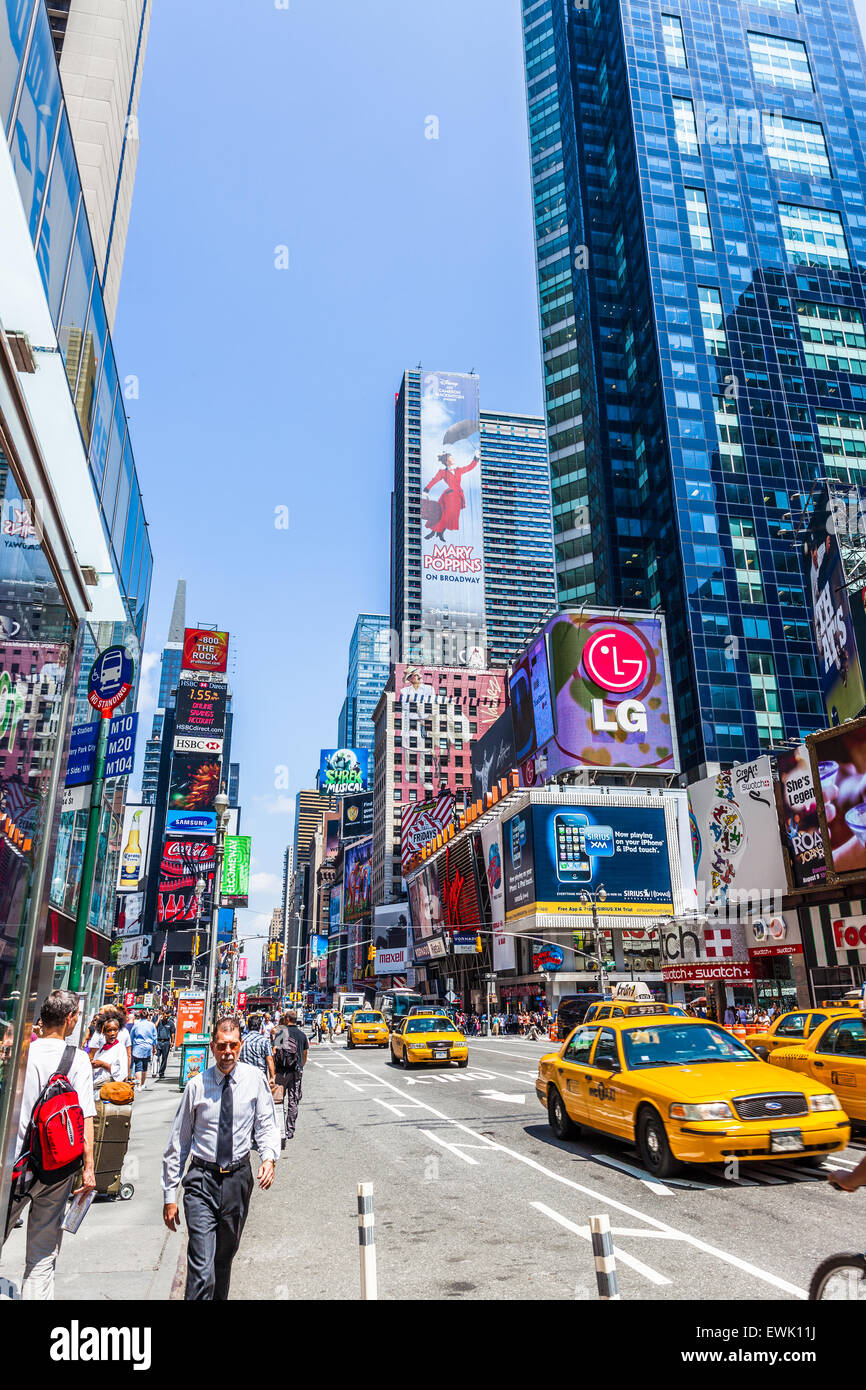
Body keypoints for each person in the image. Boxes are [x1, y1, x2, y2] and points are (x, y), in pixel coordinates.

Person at [162, 1016, 279, 1301]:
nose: (228, 1052)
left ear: (240, 1045)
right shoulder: (196, 1086)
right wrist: (170, 1194)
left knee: (223, 1261)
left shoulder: (254, 1080)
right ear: (212, 1047)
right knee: (202, 1268)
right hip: (201, 1181)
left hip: (237, 1181)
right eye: (222, 1046)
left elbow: (266, 1124)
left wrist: (268, 1158)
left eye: (233, 1046)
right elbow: (179, 1141)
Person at [6, 990, 96, 1299]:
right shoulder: (79, 1059)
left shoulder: (22, 1051)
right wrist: (89, 1169)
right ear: (71, 1019)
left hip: (14, 1166)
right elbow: (85, 1119)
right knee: (42, 1256)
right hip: (57, 1167)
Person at [273, 1011, 309, 1143]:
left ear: (287, 1019)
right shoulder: (302, 1035)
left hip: (281, 1072)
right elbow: (304, 1054)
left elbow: (275, 1051)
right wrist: (301, 1066)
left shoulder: (281, 1032)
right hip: (296, 1072)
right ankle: (290, 1130)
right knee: (293, 1101)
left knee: (278, 1101)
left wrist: (272, 1072)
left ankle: (279, 1128)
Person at [239, 1017, 275, 1087]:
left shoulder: (242, 1040)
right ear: (260, 1027)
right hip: (260, 1076)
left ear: (248, 1026)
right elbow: (269, 1059)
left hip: (245, 1076)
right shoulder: (264, 1040)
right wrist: (272, 1077)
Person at [90, 1017, 129, 1082]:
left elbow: (122, 1073)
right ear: (104, 1032)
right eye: (109, 1030)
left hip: (110, 1088)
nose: (112, 1033)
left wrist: (102, 1064)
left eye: (115, 1030)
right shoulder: (101, 1049)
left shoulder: (120, 1048)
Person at [128, 1010, 157, 1090]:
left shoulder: (137, 1025)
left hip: (137, 1047)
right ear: (148, 1016)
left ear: (140, 1016)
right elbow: (154, 1038)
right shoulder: (151, 1025)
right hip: (148, 1047)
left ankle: (138, 1085)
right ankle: (143, 1084)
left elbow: (131, 1036)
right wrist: (154, 1048)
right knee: (145, 1066)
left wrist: (131, 1046)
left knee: (138, 1066)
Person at [156, 1013, 174, 1078]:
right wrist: (158, 1019)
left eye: (167, 1016)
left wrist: (172, 1042)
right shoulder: (159, 1022)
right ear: (162, 1015)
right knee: (156, 1057)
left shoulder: (171, 1023)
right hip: (158, 1041)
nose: (166, 1017)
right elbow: (155, 1026)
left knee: (164, 1058)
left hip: (166, 1042)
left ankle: (161, 1072)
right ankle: (155, 1071)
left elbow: (172, 1033)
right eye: (165, 1016)